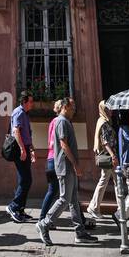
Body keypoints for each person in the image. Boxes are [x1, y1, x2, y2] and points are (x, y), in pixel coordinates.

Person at [36, 98, 97, 246]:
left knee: (74, 200)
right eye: (72, 107)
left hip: (68, 166)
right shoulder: (62, 122)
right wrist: (75, 164)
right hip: (65, 166)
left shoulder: (65, 121)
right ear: (65, 107)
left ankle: (80, 232)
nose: (74, 110)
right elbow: (63, 145)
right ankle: (44, 223)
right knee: (64, 199)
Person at [7, 91, 35, 223]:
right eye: (30, 101)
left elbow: (26, 134)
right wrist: (22, 149)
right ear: (24, 102)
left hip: (25, 149)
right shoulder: (18, 112)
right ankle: (14, 207)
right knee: (25, 180)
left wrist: (31, 149)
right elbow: (16, 131)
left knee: (26, 180)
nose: (32, 104)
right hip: (20, 150)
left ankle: (20, 209)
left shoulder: (24, 113)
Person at [87, 100, 117, 222]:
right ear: (104, 110)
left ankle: (122, 209)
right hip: (108, 155)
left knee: (115, 180)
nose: (111, 110)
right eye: (108, 108)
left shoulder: (105, 121)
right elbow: (105, 142)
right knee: (107, 180)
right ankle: (94, 207)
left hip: (109, 155)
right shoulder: (103, 123)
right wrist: (113, 155)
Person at [39, 99, 65, 218]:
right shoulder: (60, 121)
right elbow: (54, 143)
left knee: (53, 191)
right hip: (56, 159)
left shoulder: (52, 122)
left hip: (50, 159)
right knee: (67, 191)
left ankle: (42, 217)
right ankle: (43, 218)